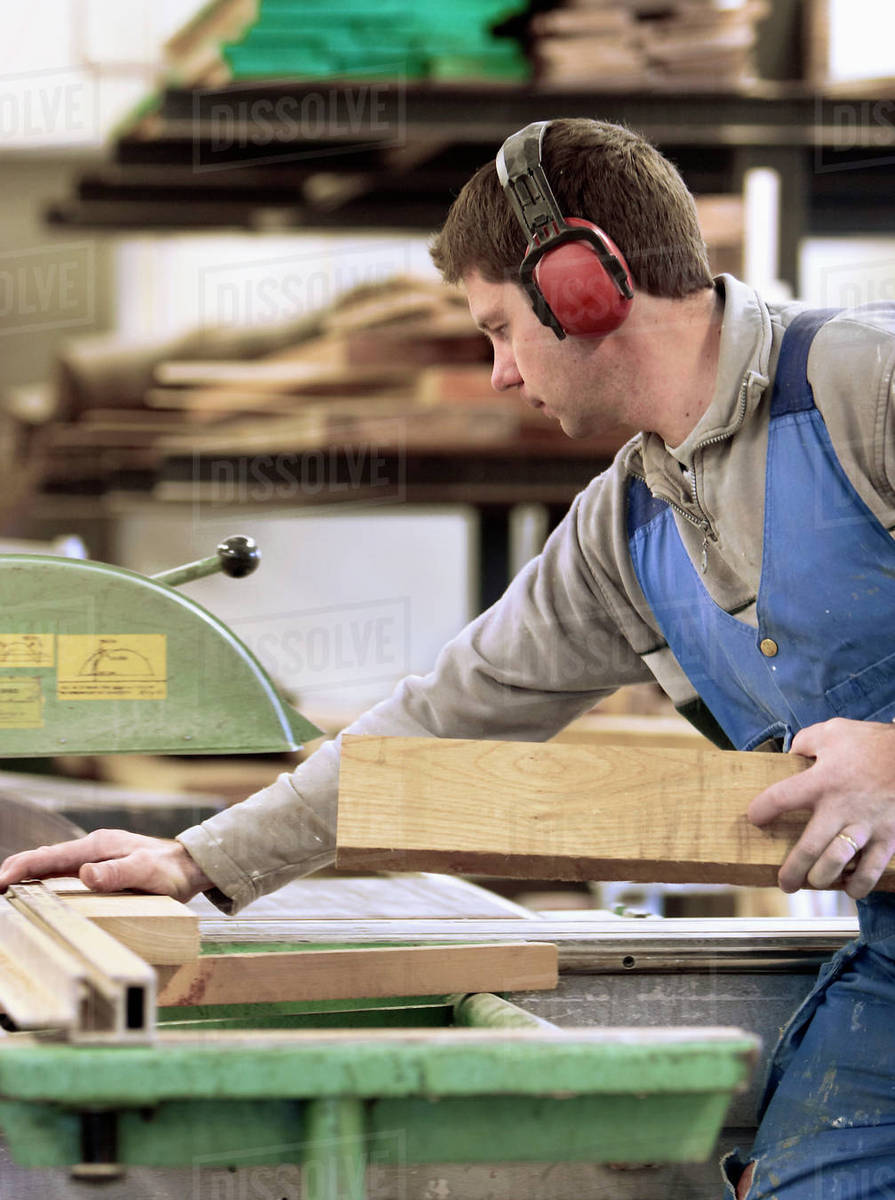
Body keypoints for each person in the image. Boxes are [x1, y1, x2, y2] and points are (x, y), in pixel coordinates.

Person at [3, 117, 895, 1198]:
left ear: (586, 287)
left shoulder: (863, 386)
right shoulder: (625, 529)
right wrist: (196, 863)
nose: (497, 376)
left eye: (498, 330)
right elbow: (436, 721)